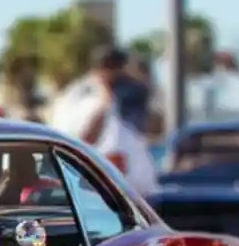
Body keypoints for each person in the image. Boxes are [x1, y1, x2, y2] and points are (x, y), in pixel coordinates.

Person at [49, 46, 158, 196]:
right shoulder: (86, 97)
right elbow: (84, 138)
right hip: (95, 183)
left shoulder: (126, 95)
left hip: (123, 187)